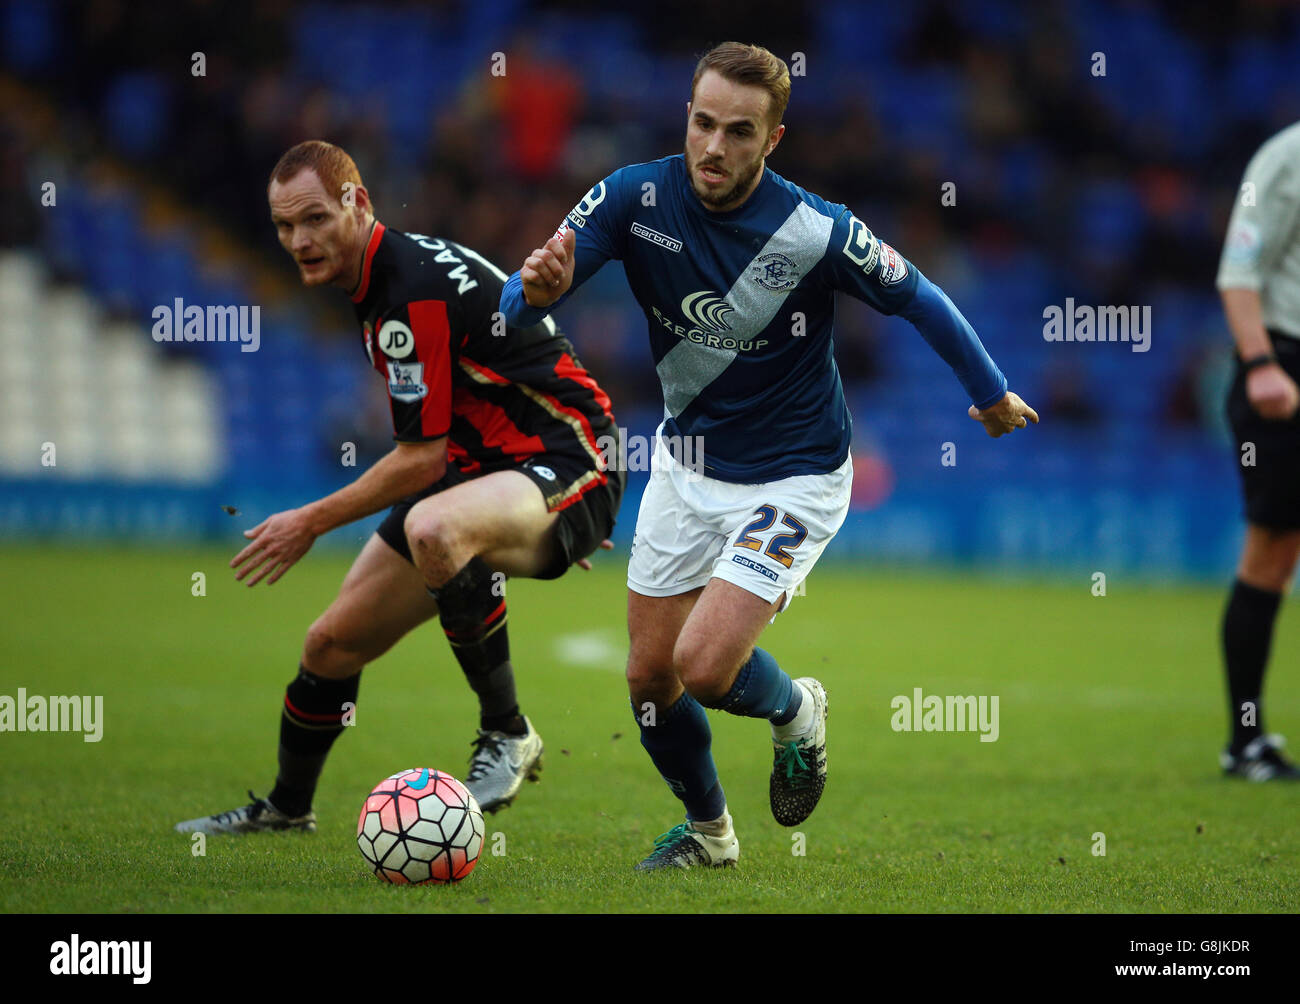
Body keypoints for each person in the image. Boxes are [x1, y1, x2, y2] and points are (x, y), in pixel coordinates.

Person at [500, 43, 1036, 870]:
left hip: (797, 474)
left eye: (739, 132)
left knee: (707, 667)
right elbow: (522, 296)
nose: (714, 147)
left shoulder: (816, 231)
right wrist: (529, 298)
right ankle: (712, 837)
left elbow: (920, 298)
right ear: (687, 114)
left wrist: (991, 392)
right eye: (703, 123)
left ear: (773, 139)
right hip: (687, 465)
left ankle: (798, 714)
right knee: (649, 682)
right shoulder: (631, 195)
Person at [176, 141, 624, 834]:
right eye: (284, 226)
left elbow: (419, 461)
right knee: (331, 645)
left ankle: (507, 731)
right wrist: (509, 515)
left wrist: (309, 521)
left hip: (570, 462)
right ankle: (288, 810)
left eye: (316, 219)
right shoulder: (388, 277)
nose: (300, 240)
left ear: (359, 203)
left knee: (437, 528)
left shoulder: (404, 292)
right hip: (493, 472)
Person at [1216, 120, 1300, 780]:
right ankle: (1245, 740)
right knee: (1272, 554)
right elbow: (1237, 270)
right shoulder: (1286, 156)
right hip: (1284, 366)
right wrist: (1262, 362)